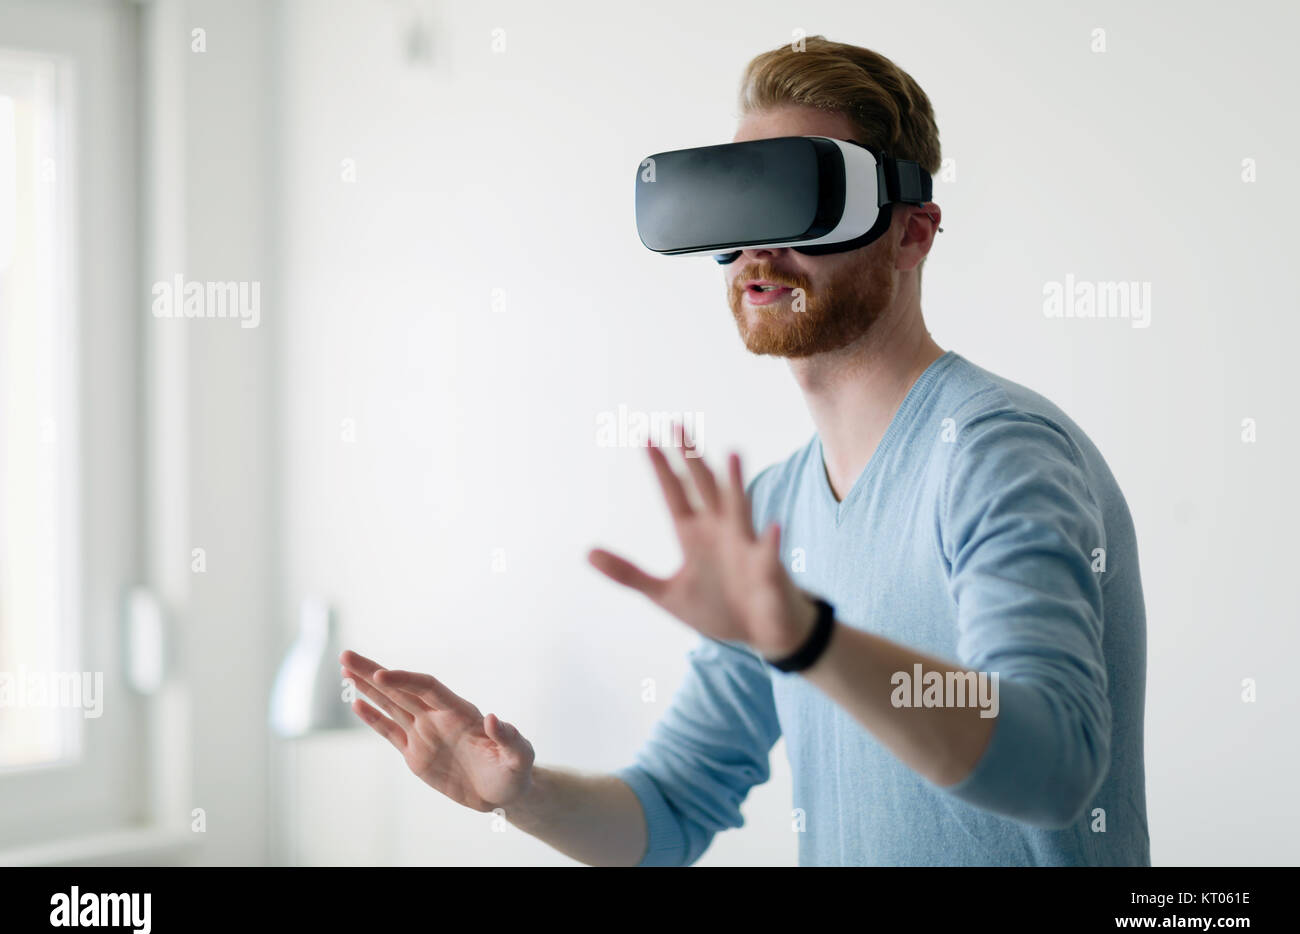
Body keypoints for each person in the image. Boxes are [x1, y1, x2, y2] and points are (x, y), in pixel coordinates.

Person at [340, 36, 1150, 866]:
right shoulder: (774, 511)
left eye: (798, 201)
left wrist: (809, 641)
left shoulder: (993, 453)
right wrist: (518, 796)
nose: (759, 251)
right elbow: (672, 808)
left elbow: (1056, 769)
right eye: (739, 203)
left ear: (913, 233)